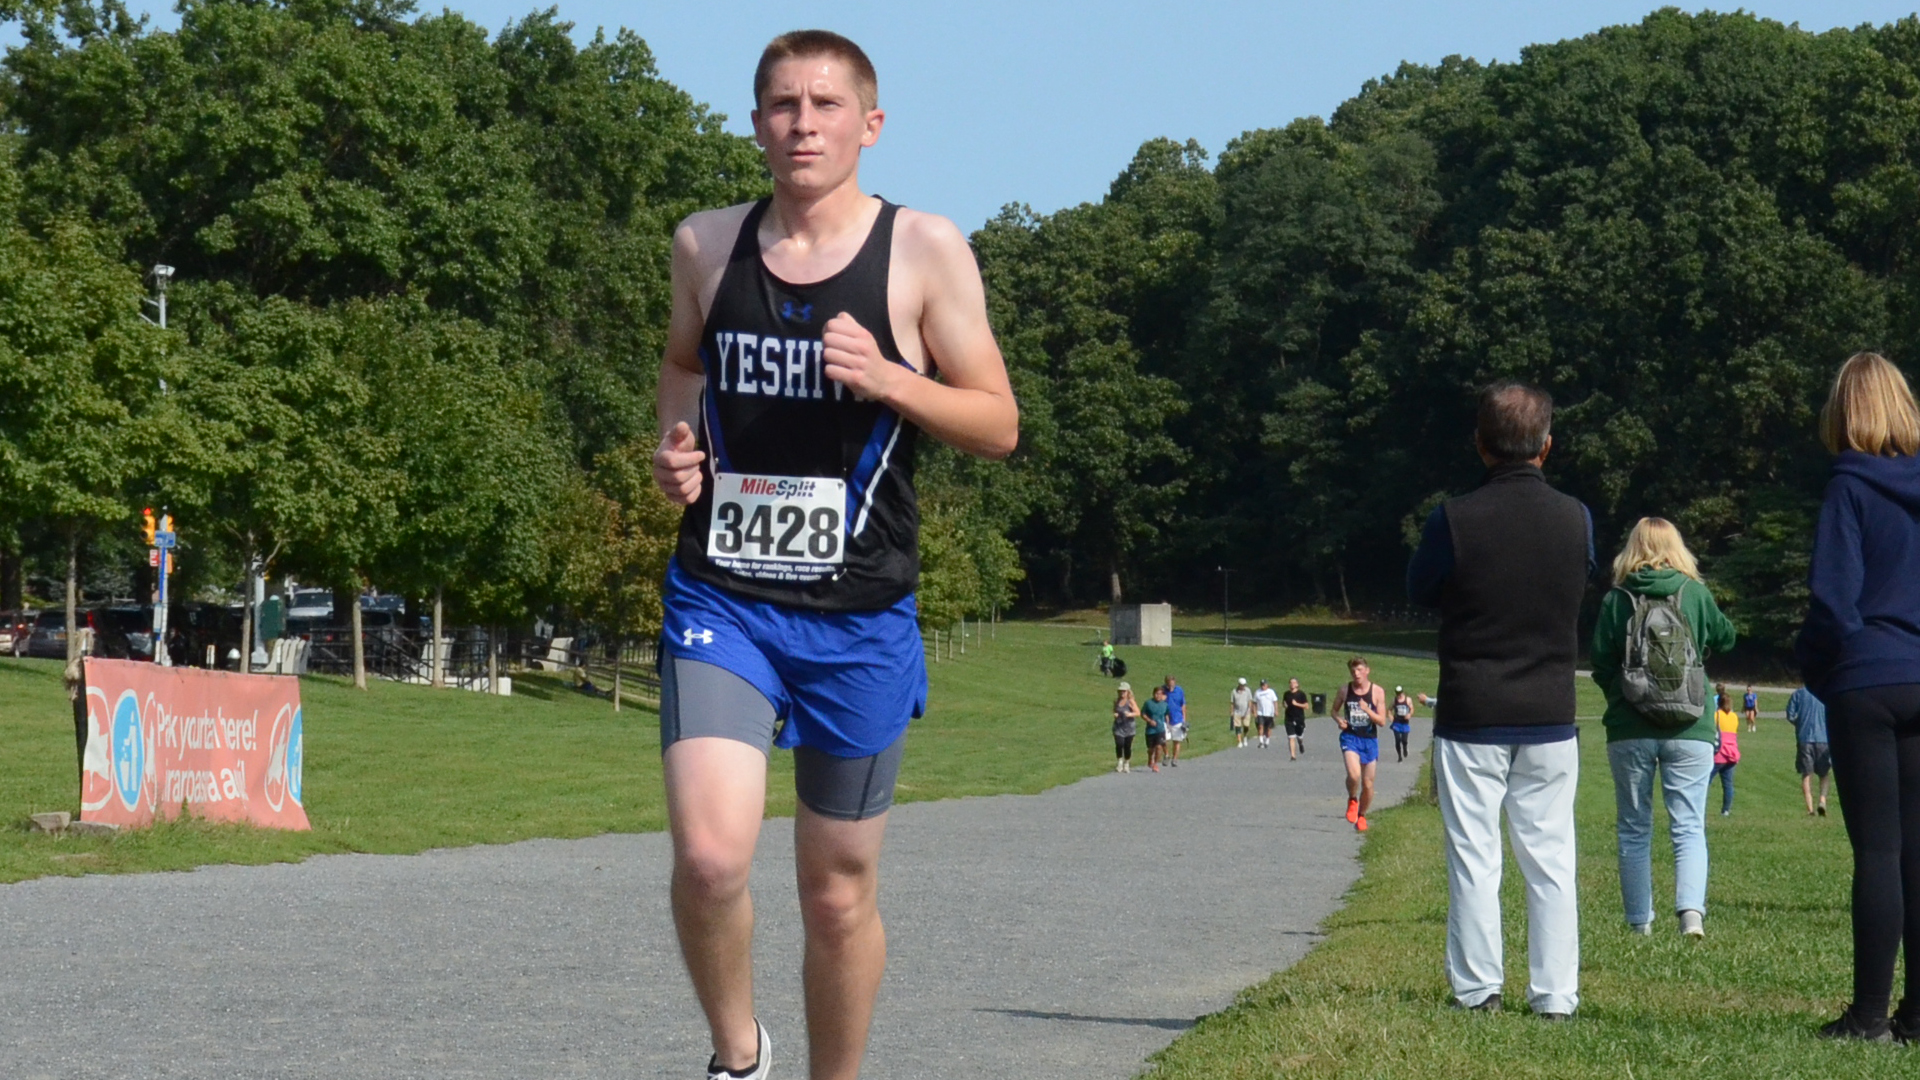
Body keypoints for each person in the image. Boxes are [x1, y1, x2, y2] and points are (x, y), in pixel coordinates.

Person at [649, 30, 1020, 1080]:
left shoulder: (923, 250)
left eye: (823, 104)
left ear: (870, 123)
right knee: (713, 856)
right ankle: (738, 1055)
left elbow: (998, 423)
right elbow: (683, 368)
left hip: (858, 615)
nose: (801, 123)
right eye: (780, 105)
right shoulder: (704, 246)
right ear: (756, 121)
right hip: (725, 596)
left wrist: (894, 378)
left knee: (836, 889)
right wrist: (677, 452)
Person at [1407, 381, 1591, 1020]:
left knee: (1474, 856)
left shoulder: (1452, 518)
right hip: (1550, 713)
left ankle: (1479, 988)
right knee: (1551, 859)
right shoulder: (1576, 517)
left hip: (1472, 709)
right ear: (1547, 445)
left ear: (1479, 445)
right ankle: (1555, 995)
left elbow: (1420, 587)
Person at [1795, 351, 1920, 1043]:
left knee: (1878, 853)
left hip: (1867, 676)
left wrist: (1820, 668)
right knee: (1918, 850)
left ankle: (1870, 1014)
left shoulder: (1847, 487)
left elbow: (1833, 601)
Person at [1589, 516, 1736, 939]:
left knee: (1634, 827)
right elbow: (1726, 637)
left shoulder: (1617, 600)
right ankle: (1691, 915)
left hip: (1629, 728)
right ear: (1678, 548)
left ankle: (1640, 923)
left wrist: (1622, 695)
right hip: (1690, 727)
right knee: (1688, 824)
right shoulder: (1695, 594)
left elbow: (1600, 661)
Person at [1332, 657, 1385, 832]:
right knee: (1354, 776)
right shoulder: (1345, 690)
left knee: (1368, 784)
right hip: (1350, 737)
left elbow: (1382, 721)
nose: (1356, 674)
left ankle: (1361, 815)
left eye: (1360, 670)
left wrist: (1367, 709)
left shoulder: (1377, 692)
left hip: (1369, 740)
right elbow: (1334, 711)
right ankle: (1353, 799)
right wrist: (1339, 720)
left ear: (1367, 671)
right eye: (1353, 671)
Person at [1786, 685, 1831, 817]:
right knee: (1824, 774)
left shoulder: (1798, 694)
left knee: (1806, 774)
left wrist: (1799, 723)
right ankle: (1822, 800)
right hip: (1823, 738)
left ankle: (1810, 809)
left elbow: (1790, 715)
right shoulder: (1825, 693)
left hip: (1804, 738)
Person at [1711, 687, 1740, 817]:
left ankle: (1700, 806)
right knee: (1728, 784)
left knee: (1706, 781)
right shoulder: (1734, 717)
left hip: (1719, 753)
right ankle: (1726, 810)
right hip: (1732, 753)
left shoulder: (1716, 715)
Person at [1141, 685, 1171, 773]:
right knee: (1151, 749)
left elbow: (1166, 714)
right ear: (1153, 694)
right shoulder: (1148, 703)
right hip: (1150, 730)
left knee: (1159, 747)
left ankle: (1155, 764)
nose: (1158, 696)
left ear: (1162, 695)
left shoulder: (1165, 704)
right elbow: (1143, 714)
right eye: (1156, 694)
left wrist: (1168, 723)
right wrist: (1149, 721)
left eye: (1160, 694)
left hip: (1160, 729)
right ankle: (1150, 758)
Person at [1112, 683, 1139, 774]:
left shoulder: (1131, 701)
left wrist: (1130, 714)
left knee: (1127, 746)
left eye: (1124, 691)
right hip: (1119, 726)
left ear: (1128, 692)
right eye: (1120, 691)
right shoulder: (1117, 701)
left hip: (1129, 727)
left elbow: (1138, 713)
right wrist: (1115, 714)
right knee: (1119, 744)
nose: (1122, 693)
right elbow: (1115, 710)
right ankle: (1119, 762)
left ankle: (1126, 763)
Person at [1163, 675, 1188, 766]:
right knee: (1164, 740)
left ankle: (1175, 759)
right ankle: (1166, 755)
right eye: (1169, 685)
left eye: (1172, 685)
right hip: (1165, 719)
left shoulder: (1179, 690)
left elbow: (1183, 705)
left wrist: (1184, 719)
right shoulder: (1162, 691)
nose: (1170, 687)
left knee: (1177, 740)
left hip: (1178, 719)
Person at [1281, 678, 1308, 759]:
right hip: (1289, 718)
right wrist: (1284, 705)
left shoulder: (1301, 694)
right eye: (1291, 682)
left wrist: (1297, 704)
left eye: (1294, 682)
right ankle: (1293, 756)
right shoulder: (1286, 694)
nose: (1292, 684)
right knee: (1291, 737)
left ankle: (1300, 743)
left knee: (1299, 736)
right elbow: (1284, 703)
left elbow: (1306, 706)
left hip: (1299, 718)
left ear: (1297, 684)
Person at [1390, 686, 1415, 763]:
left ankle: (1405, 747)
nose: (1399, 695)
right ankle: (1399, 756)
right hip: (1396, 723)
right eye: (1398, 694)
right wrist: (1390, 716)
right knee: (1397, 740)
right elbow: (1389, 709)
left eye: (1400, 693)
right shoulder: (1394, 700)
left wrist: (1409, 714)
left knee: (1404, 740)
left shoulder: (1408, 700)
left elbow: (1412, 709)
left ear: (1402, 692)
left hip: (1405, 723)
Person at [1229, 678, 1254, 749]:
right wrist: (1231, 712)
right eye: (1242, 685)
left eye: (1244, 685)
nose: (1243, 686)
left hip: (1246, 711)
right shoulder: (1234, 692)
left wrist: (1250, 709)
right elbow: (1232, 703)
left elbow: (1250, 700)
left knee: (1246, 725)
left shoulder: (1248, 691)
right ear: (1239, 685)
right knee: (1238, 726)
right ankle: (1239, 741)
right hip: (1237, 712)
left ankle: (1245, 736)